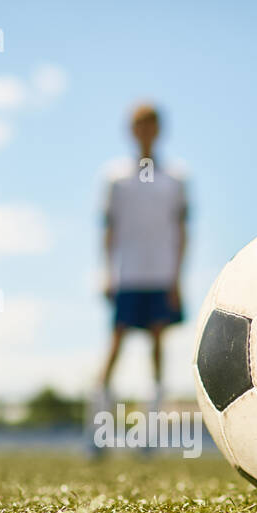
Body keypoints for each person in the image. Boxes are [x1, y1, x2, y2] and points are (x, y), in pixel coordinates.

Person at [91, 102, 188, 451]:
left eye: (150, 124)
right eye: (139, 125)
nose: (145, 131)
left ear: (159, 130)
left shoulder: (176, 177)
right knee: (115, 344)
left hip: (161, 275)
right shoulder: (115, 177)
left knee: (158, 347)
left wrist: (176, 278)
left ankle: (151, 433)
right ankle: (98, 432)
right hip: (126, 275)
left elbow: (181, 230)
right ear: (131, 131)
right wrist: (105, 273)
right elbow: (108, 229)